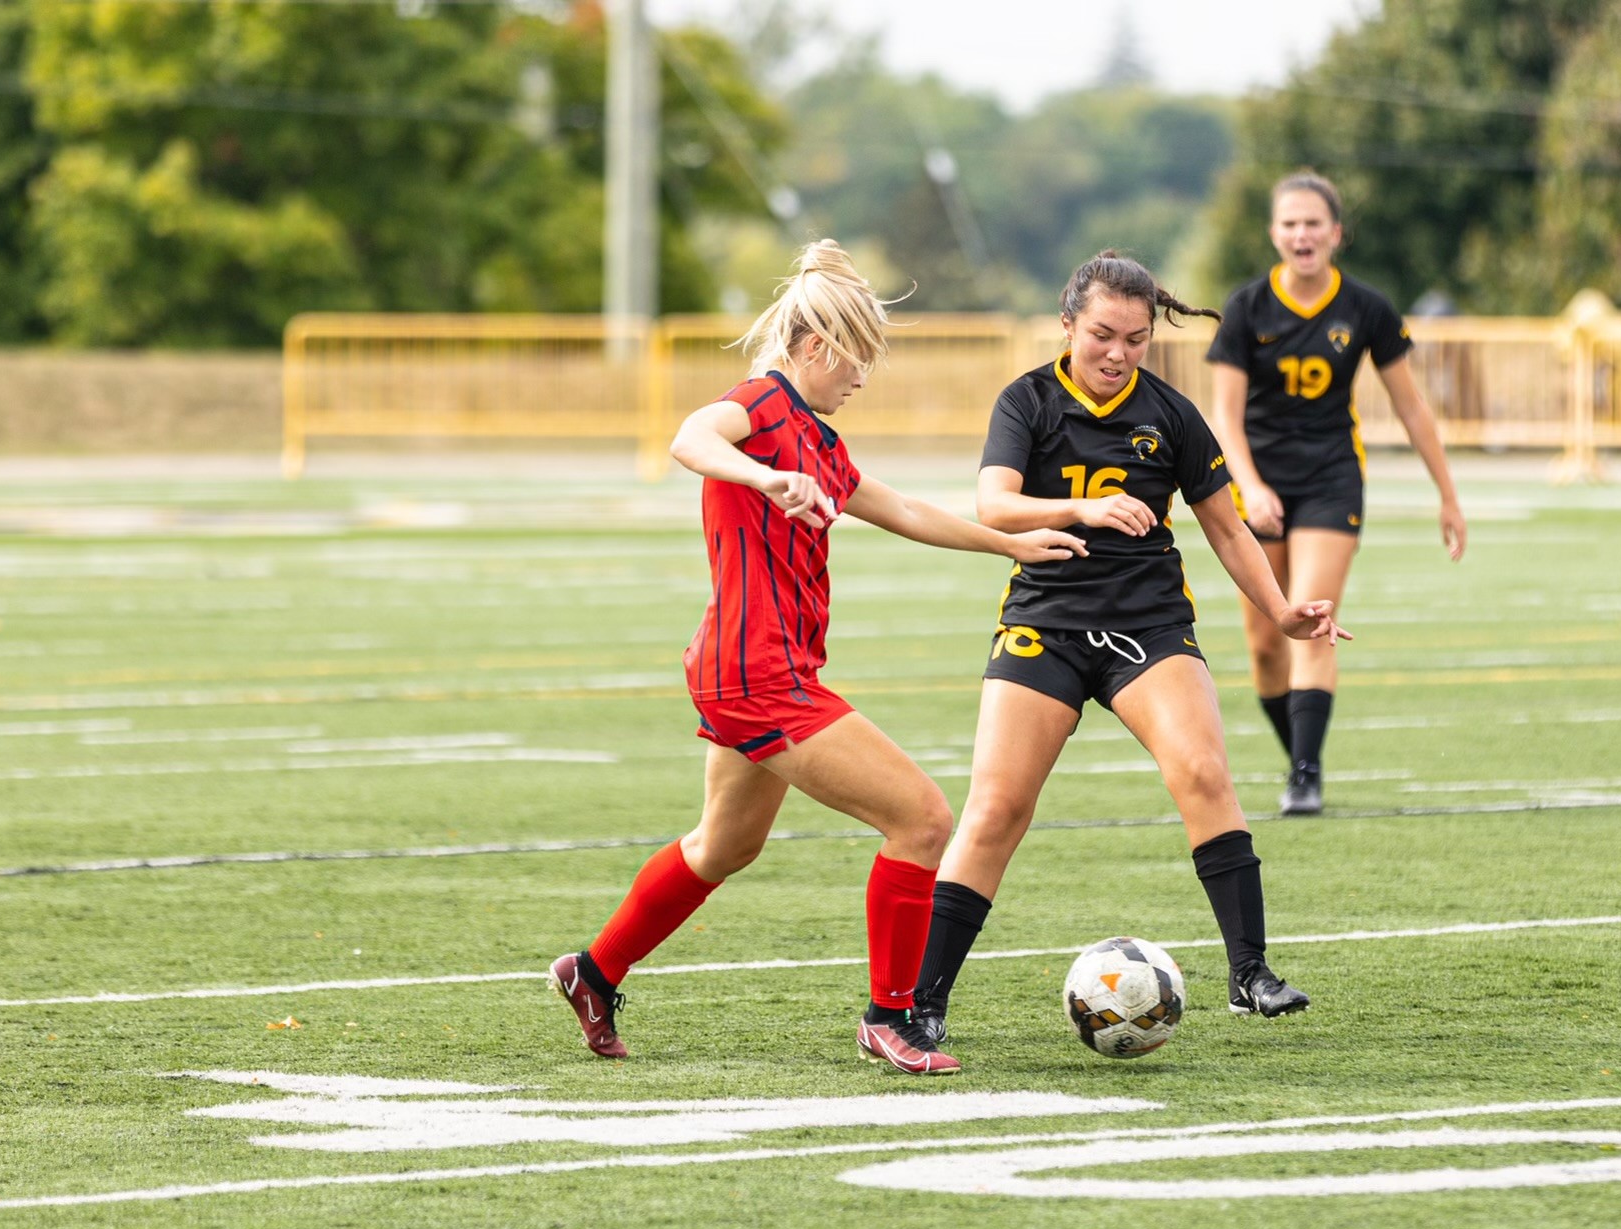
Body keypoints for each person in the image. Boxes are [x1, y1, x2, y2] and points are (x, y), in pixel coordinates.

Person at [549, 239, 1084, 1075]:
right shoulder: (758, 407)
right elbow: (691, 438)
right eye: (857, 360)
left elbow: (903, 507)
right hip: (759, 673)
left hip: (751, 666)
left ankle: (593, 970)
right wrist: (763, 481)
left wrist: (1015, 544)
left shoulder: (820, 441)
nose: (861, 379)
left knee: (723, 847)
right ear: (816, 347)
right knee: (922, 819)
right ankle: (890, 1018)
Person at [910, 251, 1350, 1052]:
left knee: (1203, 771)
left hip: (1147, 627)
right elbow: (993, 504)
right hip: (1043, 624)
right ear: (1068, 323)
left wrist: (1283, 612)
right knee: (997, 807)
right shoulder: (1029, 400)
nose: (1117, 354)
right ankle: (925, 1002)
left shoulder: (1171, 414)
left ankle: (1249, 974)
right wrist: (1087, 507)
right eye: (1103, 335)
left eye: (1136, 340)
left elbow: (1225, 526)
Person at [1207, 170, 1466, 817]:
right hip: (1257, 483)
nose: (1301, 234)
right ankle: (1298, 750)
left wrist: (1447, 495)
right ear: (1274, 233)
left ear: (1335, 234)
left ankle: (1304, 773)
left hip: (1329, 477)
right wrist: (1249, 486)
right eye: (1289, 223)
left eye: (1313, 223)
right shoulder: (1245, 308)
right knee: (1266, 643)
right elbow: (1224, 417)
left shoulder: (1366, 308)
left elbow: (1411, 408)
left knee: (1312, 618)